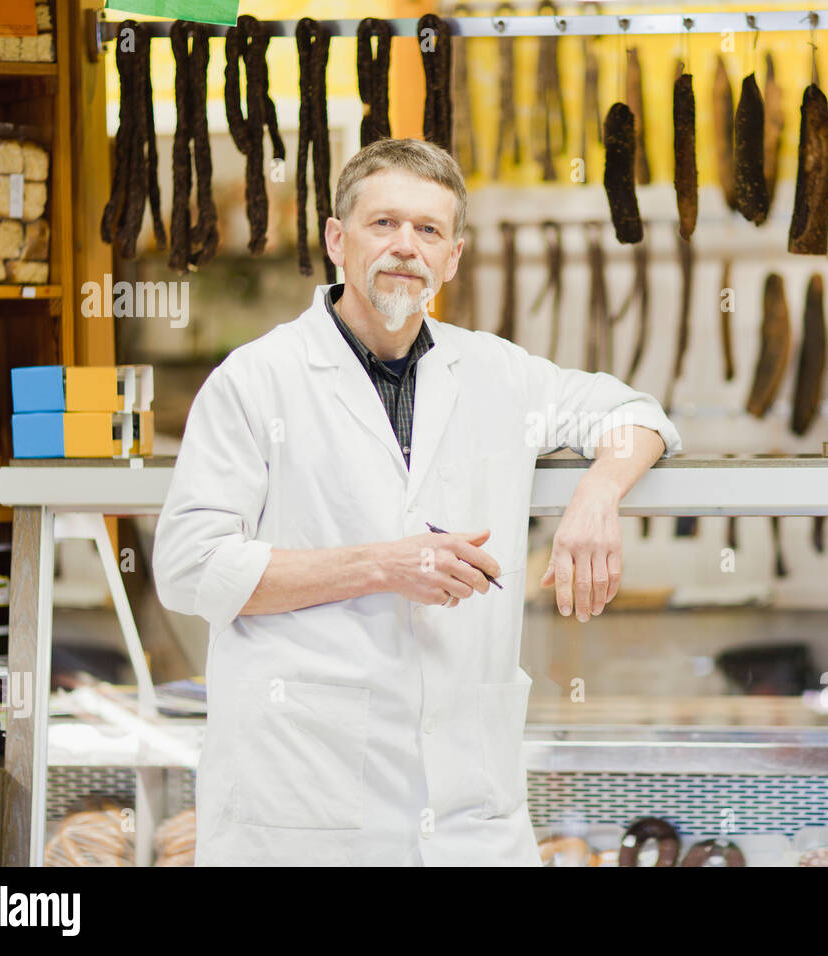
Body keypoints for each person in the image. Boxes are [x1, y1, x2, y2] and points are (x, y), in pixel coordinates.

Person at [152, 138, 682, 865]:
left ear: (452, 258)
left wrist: (596, 495)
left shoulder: (495, 371)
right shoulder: (257, 380)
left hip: (466, 807)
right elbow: (189, 569)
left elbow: (635, 413)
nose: (407, 246)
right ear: (338, 239)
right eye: (384, 224)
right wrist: (380, 566)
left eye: (429, 230)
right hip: (304, 796)